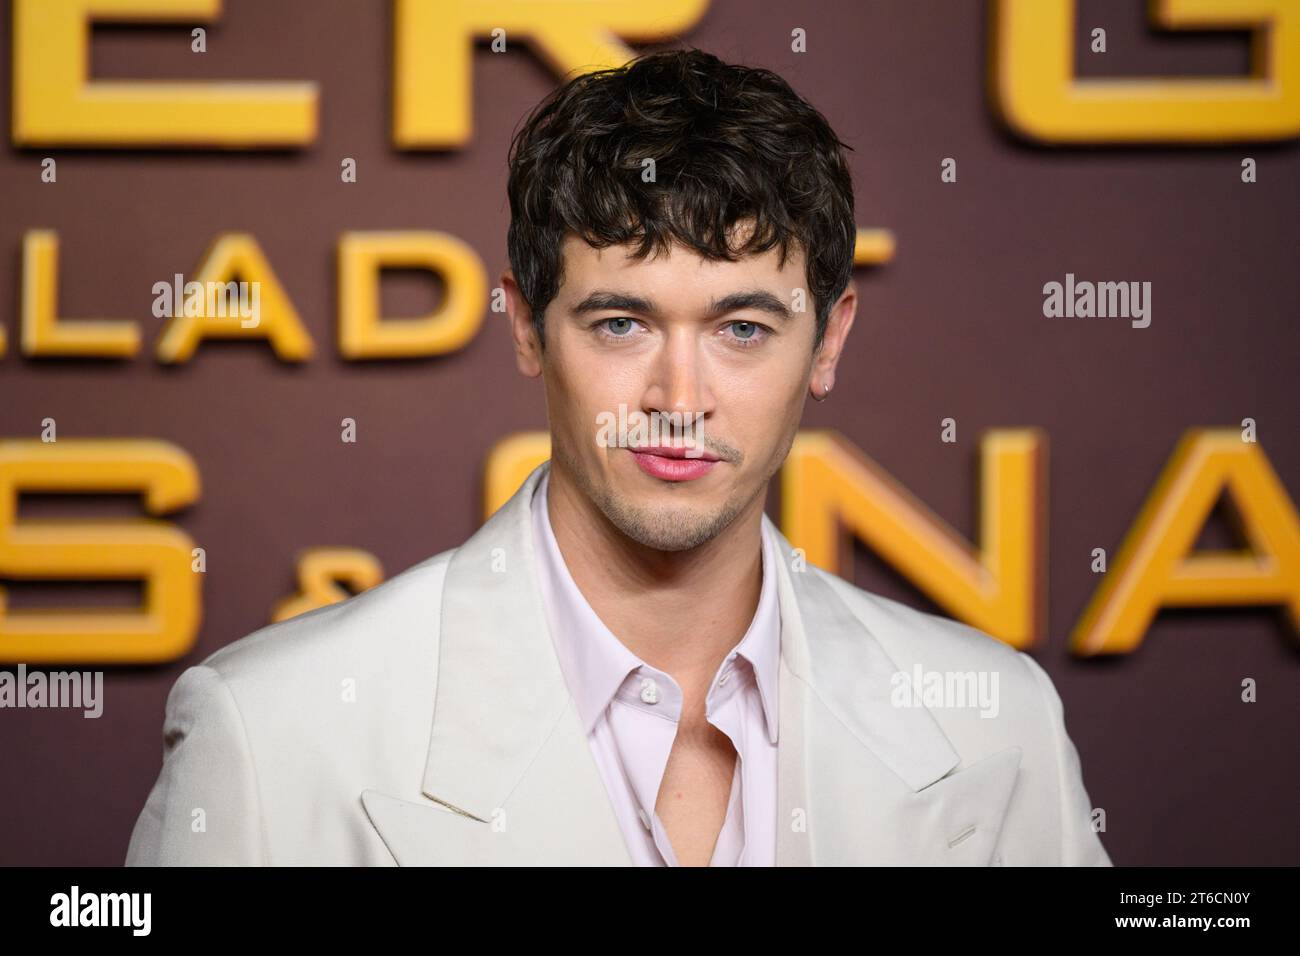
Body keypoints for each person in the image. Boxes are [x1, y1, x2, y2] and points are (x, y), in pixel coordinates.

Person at [125, 48, 1111, 867]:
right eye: (621, 322)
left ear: (829, 341)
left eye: (742, 329)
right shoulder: (268, 736)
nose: (677, 401)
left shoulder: (998, 727)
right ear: (524, 326)